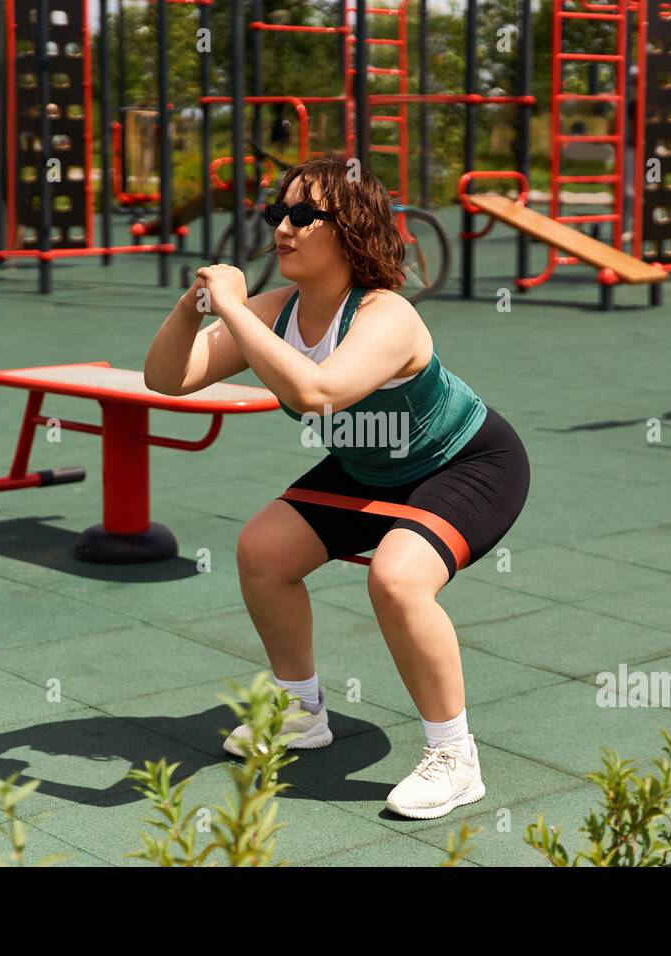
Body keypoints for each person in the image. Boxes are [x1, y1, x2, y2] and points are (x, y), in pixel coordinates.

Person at [143, 154, 530, 820]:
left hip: (465, 463)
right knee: (263, 551)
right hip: (367, 467)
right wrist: (191, 308)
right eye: (277, 214)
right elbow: (167, 379)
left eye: (302, 214)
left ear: (350, 227)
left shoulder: (386, 316)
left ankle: (455, 757)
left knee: (397, 579)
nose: (283, 228)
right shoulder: (274, 310)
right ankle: (301, 711)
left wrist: (235, 309)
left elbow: (314, 392)